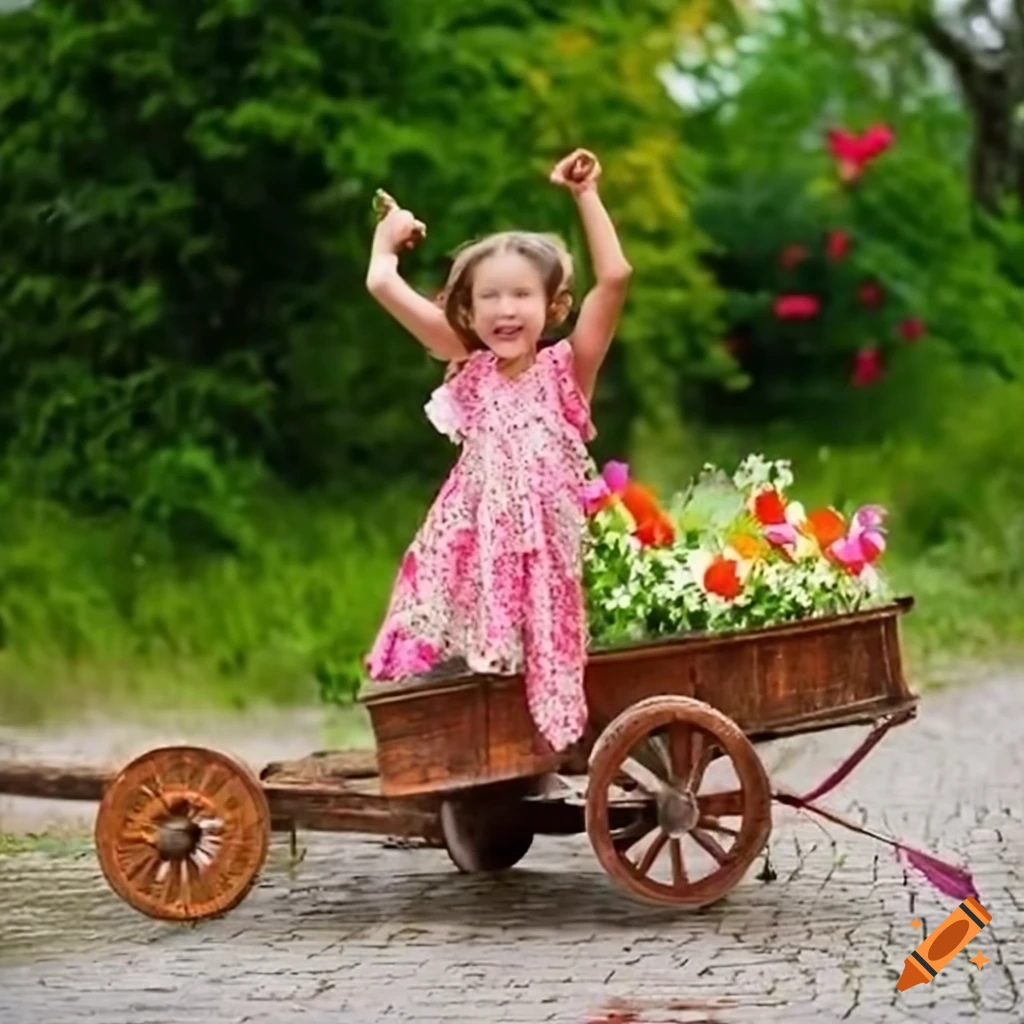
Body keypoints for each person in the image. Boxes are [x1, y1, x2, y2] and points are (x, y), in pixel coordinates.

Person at [364, 149, 632, 752]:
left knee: (546, 643)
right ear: (467, 309)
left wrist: (586, 195)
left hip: (547, 544)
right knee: (460, 658)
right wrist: (390, 236)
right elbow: (381, 282)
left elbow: (614, 279)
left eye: (521, 296)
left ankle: (544, 745)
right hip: (473, 548)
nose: (505, 310)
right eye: (489, 297)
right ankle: (472, 748)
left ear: (552, 306)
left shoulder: (568, 369)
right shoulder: (469, 365)